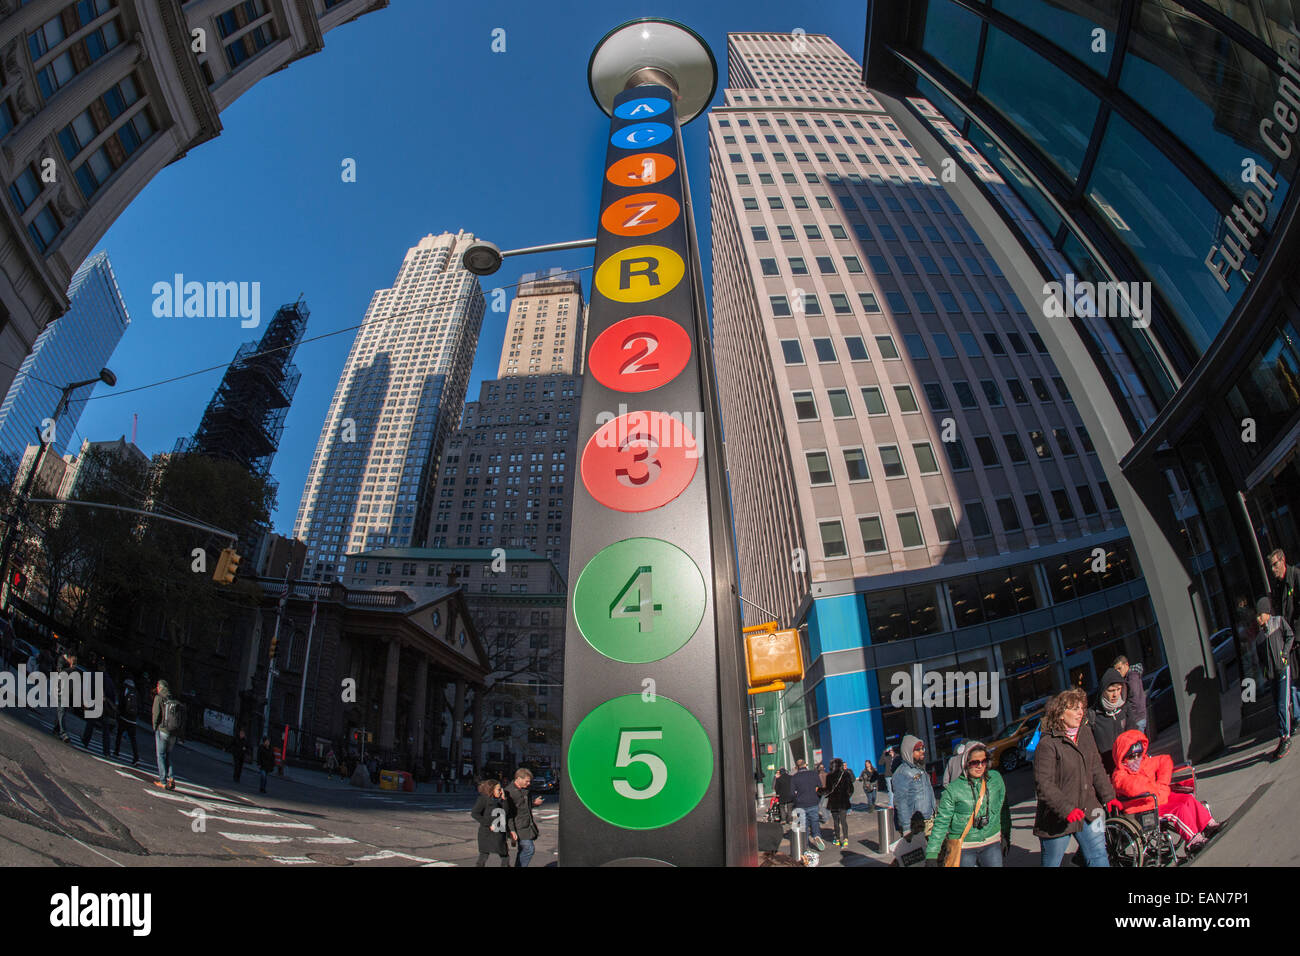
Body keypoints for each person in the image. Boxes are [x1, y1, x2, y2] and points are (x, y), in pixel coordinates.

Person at [1033, 688, 1122, 866]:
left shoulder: (1086, 734)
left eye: (1081, 708)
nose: (1080, 712)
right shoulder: (1048, 744)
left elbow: (1096, 767)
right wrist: (1067, 809)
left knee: (1098, 856)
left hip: (1089, 810)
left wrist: (1109, 796)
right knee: (1052, 863)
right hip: (1058, 818)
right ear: (1060, 714)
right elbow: (1044, 785)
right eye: (1074, 708)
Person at [1109, 729, 1220, 850]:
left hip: (1157, 799)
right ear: (1122, 757)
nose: (1136, 759)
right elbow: (1136, 788)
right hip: (1143, 808)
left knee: (1187, 798)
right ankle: (1193, 840)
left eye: (1139, 754)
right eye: (1131, 756)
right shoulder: (1119, 776)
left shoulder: (1145, 762)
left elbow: (1164, 761)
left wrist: (1162, 783)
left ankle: (1208, 825)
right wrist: (1161, 790)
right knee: (1179, 810)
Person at [924, 742, 1011, 866]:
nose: (980, 766)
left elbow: (1003, 809)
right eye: (975, 762)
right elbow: (941, 822)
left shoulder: (995, 779)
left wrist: (1006, 835)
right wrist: (932, 854)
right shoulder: (953, 789)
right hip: (964, 846)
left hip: (991, 842)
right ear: (965, 763)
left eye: (984, 761)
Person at [1257, 595, 1300, 759]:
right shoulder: (1260, 637)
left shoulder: (1279, 622)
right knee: (1277, 705)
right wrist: (1266, 672)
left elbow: (1290, 636)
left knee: (1283, 704)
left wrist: (1284, 655)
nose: (1257, 618)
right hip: (1273, 675)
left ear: (1267, 613)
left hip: (1282, 669)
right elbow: (1260, 658)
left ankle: (1286, 737)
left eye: (1260, 614)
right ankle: (1282, 736)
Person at [1087, 667, 1136, 775]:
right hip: (1107, 773)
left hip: (1129, 769)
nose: (1115, 694)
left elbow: (1134, 735)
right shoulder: (1093, 715)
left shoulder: (1125, 708)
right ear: (1103, 690)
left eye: (1118, 689)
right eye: (1111, 690)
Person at [891, 735, 935, 839]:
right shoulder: (902, 773)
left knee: (933, 854)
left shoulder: (920, 770)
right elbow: (901, 802)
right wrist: (906, 829)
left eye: (922, 748)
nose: (922, 751)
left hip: (929, 820)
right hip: (916, 825)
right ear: (909, 752)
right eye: (917, 749)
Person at [504, 767, 544, 867]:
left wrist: (534, 804)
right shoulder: (509, 792)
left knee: (524, 849)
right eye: (527, 781)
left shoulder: (525, 790)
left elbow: (524, 807)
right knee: (528, 849)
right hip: (518, 826)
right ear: (518, 778)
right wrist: (511, 830)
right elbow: (508, 814)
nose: (529, 783)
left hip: (526, 825)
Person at [471, 778, 511, 866]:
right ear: (491, 789)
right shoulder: (483, 799)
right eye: (499, 789)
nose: (501, 791)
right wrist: (488, 824)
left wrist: (504, 800)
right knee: (484, 855)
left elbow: (505, 813)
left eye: (501, 789)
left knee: (505, 855)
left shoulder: (501, 800)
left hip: (499, 832)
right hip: (487, 832)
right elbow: (475, 813)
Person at [788, 758, 825, 851]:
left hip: (801, 804)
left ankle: (805, 844)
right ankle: (816, 835)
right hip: (813, 801)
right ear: (805, 765)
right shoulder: (813, 774)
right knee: (815, 821)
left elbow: (792, 793)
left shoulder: (794, 777)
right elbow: (820, 787)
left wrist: (796, 799)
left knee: (804, 825)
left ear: (797, 767)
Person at [150, 679, 179, 790]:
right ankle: (171, 778)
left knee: (160, 755)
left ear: (160, 687)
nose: (156, 688)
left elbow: (156, 714)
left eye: (157, 686)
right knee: (168, 755)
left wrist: (155, 727)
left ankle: (163, 781)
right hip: (173, 732)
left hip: (162, 730)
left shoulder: (159, 697)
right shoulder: (172, 697)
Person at [80, 668, 116, 757]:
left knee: (90, 724)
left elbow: (90, 691)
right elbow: (113, 696)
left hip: (96, 704)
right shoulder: (110, 681)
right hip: (105, 708)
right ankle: (106, 751)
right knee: (106, 730)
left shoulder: (96, 677)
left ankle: (85, 741)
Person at [824, 757, 855, 848]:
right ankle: (845, 839)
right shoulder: (845, 774)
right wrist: (847, 796)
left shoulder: (829, 776)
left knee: (835, 821)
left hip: (834, 802)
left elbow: (828, 790)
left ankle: (837, 839)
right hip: (843, 801)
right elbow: (851, 789)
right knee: (843, 820)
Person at [1113, 656, 1148, 734]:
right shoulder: (1130, 677)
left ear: (1126, 665)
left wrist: (1129, 716)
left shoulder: (1132, 678)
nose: (1118, 672)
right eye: (1116, 670)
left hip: (1136, 718)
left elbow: (1134, 698)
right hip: (1139, 717)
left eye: (1119, 668)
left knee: (1137, 744)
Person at [1270, 549, 1300, 636]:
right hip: (1290, 637)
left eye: (1275, 564)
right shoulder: (1277, 587)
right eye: (1271, 566)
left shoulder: (1296, 576)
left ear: (1282, 560)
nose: (1273, 569)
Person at [113, 676, 140, 766]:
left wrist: (119, 714)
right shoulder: (136, 693)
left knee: (119, 735)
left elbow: (121, 703)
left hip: (124, 717)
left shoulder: (125, 691)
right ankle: (136, 758)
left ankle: (116, 751)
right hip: (133, 720)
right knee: (133, 739)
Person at [52, 650, 77, 742]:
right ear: (69, 658)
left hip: (67, 692)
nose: (74, 664)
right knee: (61, 711)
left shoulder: (72, 668)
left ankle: (56, 728)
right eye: (73, 662)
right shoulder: (62, 660)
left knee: (62, 711)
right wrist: (71, 669)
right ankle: (63, 733)